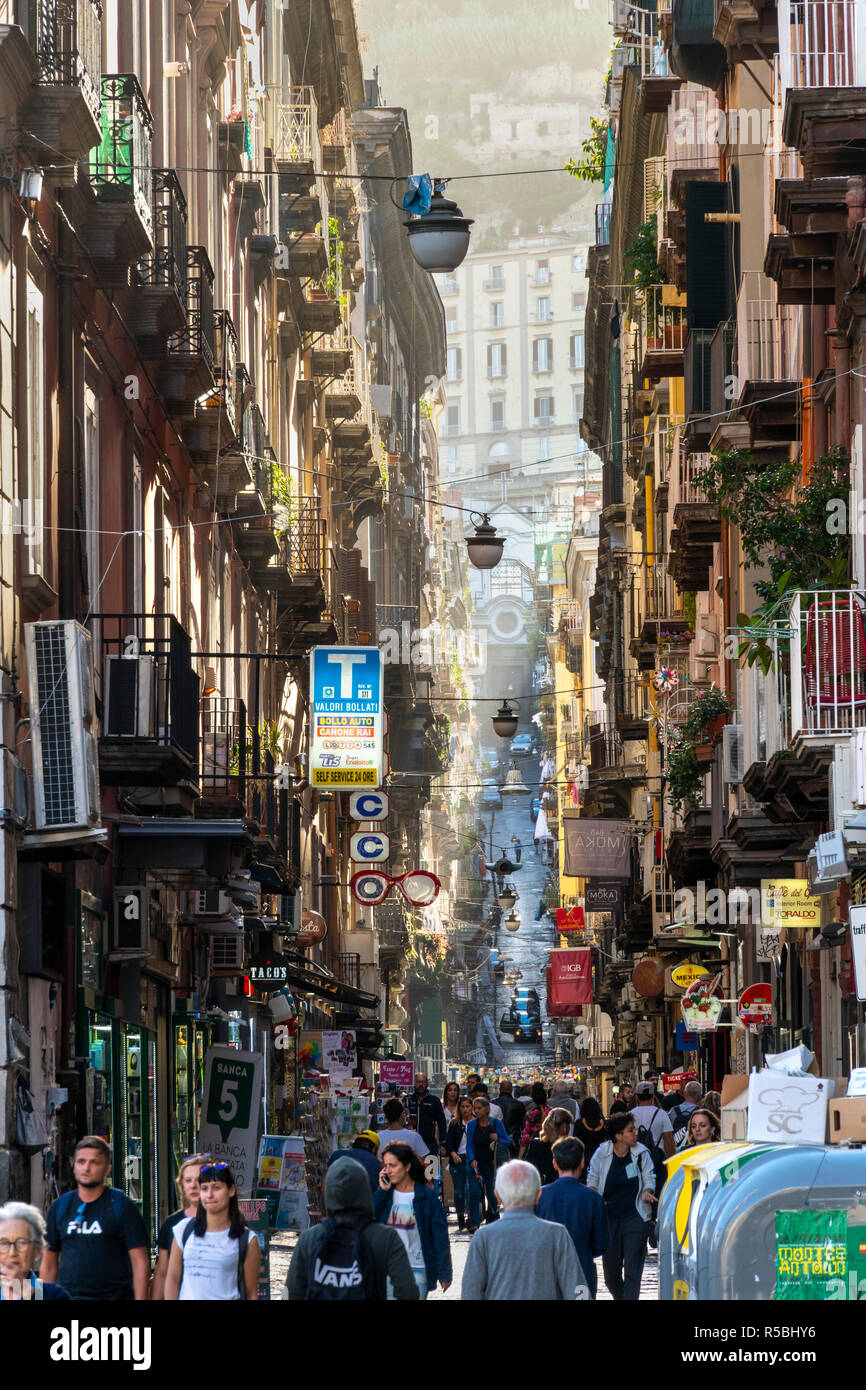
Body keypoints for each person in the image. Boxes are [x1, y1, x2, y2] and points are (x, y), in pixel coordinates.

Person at [286, 1155, 418, 1300]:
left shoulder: (309, 1238)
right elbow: (408, 1291)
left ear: (329, 1193)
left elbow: (292, 1292)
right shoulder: (385, 1237)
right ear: (365, 1191)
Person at [41, 1135, 149, 1301]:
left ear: (107, 1169)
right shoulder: (60, 1207)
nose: (86, 1168)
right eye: (81, 1161)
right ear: (74, 1166)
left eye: (94, 1162)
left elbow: (140, 1263)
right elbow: (48, 1264)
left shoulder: (122, 1206)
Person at [461, 1160, 586, 1301]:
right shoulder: (557, 1234)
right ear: (538, 1195)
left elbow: (471, 1292)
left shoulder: (483, 1237)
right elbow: (577, 1288)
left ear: (498, 1196)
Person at [165, 1162, 260, 1300]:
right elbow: (172, 1278)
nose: (209, 1195)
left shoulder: (246, 1240)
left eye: (216, 1188)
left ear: (231, 1190)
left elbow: (251, 1293)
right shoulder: (183, 1230)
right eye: (204, 1188)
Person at [587, 1112, 656, 1301]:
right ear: (618, 1136)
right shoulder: (602, 1153)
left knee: (633, 1270)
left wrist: (647, 1191)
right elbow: (592, 1179)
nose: (636, 1133)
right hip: (608, 1218)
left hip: (636, 1217)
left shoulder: (641, 1152)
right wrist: (594, 1196)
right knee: (610, 1275)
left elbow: (649, 1177)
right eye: (630, 1130)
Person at [373, 1143, 452, 1299]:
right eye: (385, 1165)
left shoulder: (427, 1198)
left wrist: (445, 1272)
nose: (388, 1170)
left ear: (407, 1167)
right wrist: (382, 1191)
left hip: (418, 1268)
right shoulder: (386, 1195)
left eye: (393, 1165)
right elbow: (369, 1219)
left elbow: (440, 1236)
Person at [536, 1137, 610, 1300]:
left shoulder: (538, 1196)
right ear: (582, 1162)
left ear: (555, 1164)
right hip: (581, 1269)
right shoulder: (593, 1199)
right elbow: (602, 1243)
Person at [151, 1152, 209, 1299]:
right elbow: (162, 1272)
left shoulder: (228, 1221)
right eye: (188, 1180)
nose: (194, 1185)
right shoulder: (172, 1224)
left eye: (199, 1180)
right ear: (181, 1184)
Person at [0, 1202, 69, 1300]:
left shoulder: (54, 1295)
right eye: (3, 1243)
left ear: (37, 1251)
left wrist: (26, 1290)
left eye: (22, 1242)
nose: (12, 1253)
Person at [466, 1098, 513, 1221]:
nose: (476, 1111)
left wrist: (498, 1138)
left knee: (491, 1191)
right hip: (476, 1163)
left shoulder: (496, 1123)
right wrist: (471, 1159)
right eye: (474, 1108)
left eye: (479, 1108)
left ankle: (494, 1213)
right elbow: (469, 1145)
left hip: (492, 1163)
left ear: (487, 1109)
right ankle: (474, 1221)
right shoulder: (471, 1125)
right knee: (475, 1192)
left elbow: (508, 1142)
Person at [446, 1097, 481, 1233]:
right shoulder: (454, 1123)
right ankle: (460, 1215)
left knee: (472, 1190)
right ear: (459, 1108)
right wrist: (453, 1154)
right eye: (463, 1107)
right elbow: (449, 1142)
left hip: (472, 1159)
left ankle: (471, 1217)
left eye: (468, 1106)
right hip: (458, 1159)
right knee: (459, 1191)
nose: (465, 1109)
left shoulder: (477, 1123)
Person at [524, 1107, 573, 1186]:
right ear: (563, 1127)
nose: (568, 1129)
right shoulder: (566, 1148)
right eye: (567, 1125)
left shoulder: (535, 1144)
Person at [405, 1072, 448, 1158]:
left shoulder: (434, 1101)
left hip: (429, 1144)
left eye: (423, 1082)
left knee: (431, 1171)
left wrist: (443, 1143)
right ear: (414, 1083)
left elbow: (442, 1123)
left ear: (427, 1084)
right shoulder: (407, 1099)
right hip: (410, 1144)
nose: (420, 1084)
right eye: (418, 1082)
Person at [376, 1098, 430, 1163]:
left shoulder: (378, 1137)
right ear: (402, 1115)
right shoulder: (414, 1136)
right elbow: (426, 1161)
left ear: (385, 1118)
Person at [631, 1080, 675, 1160]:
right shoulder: (661, 1114)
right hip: (657, 1160)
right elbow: (669, 1143)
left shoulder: (630, 1115)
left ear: (636, 1096)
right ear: (653, 1096)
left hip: (635, 1159)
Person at [573, 1096, 608, 1179]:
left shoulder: (579, 1124)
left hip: (585, 1157)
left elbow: (575, 1141)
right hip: (600, 1156)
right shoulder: (603, 1123)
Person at [668, 1080, 705, 1148]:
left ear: (684, 1094)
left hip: (677, 1150)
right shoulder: (702, 1113)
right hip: (695, 1149)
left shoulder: (673, 1111)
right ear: (699, 1096)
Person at [518, 1081, 550, 1155]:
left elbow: (525, 1139)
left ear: (533, 1098)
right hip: (550, 1150)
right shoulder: (552, 1112)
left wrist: (519, 1158)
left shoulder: (531, 1114)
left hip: (534, 1151)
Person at [496, 1079, 525, 1147]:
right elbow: (523, 1124)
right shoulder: (519, 1104)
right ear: (511, 1090)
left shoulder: (492, 1103)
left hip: (497, 1138)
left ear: (500, 1089)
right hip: (514, 1138)